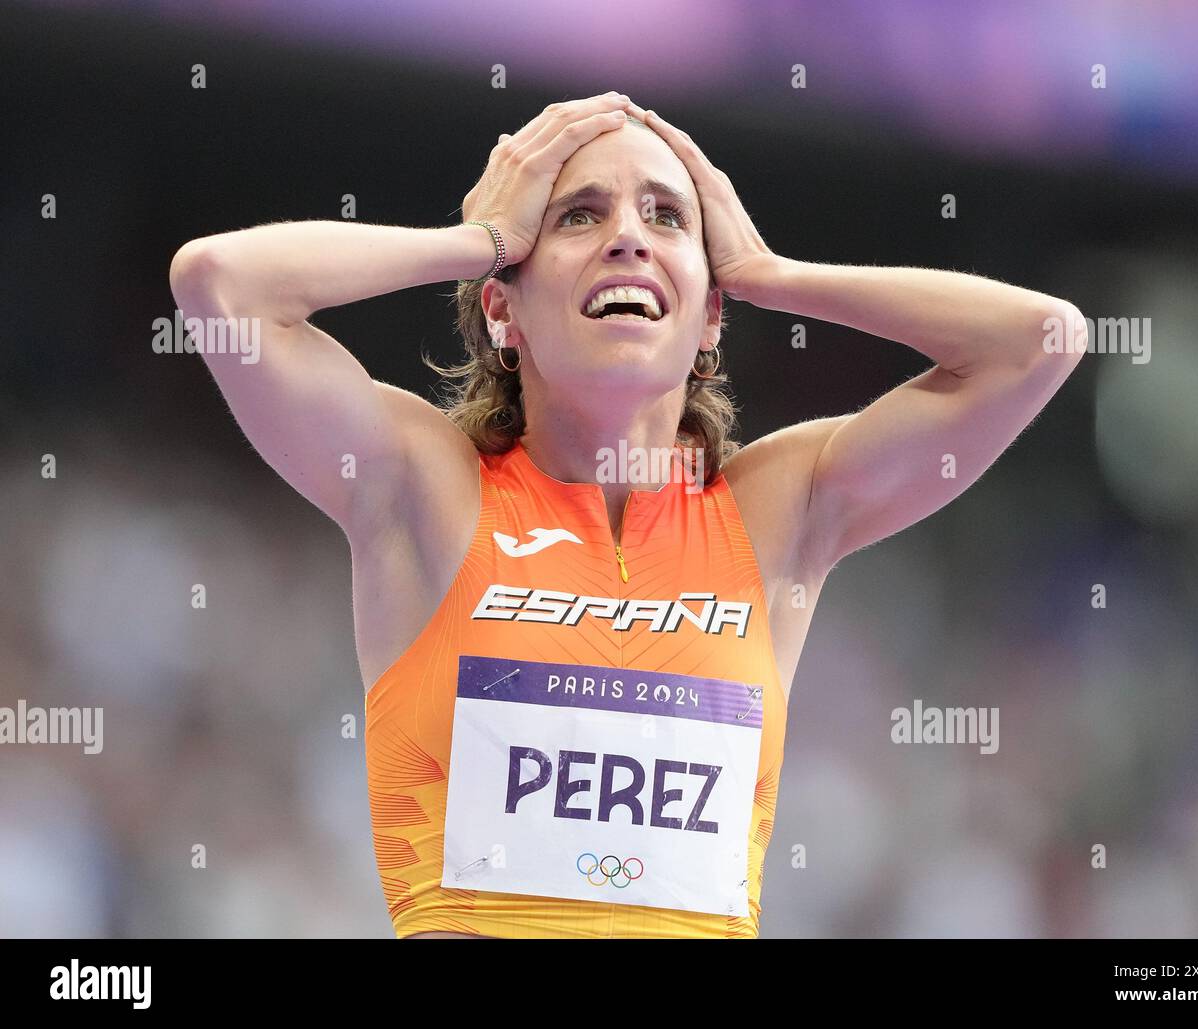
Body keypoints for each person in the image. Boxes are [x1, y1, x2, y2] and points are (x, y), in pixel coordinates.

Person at [168, 92, 1087, 938]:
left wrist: (774, 272)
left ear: (710, 314)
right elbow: (221, 283)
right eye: (576, 214)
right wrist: (476, 236)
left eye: (666, 216)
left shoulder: (777, 515)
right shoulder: (425, 488)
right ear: (503, 307)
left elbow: (1043, 340)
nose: (627, 238)